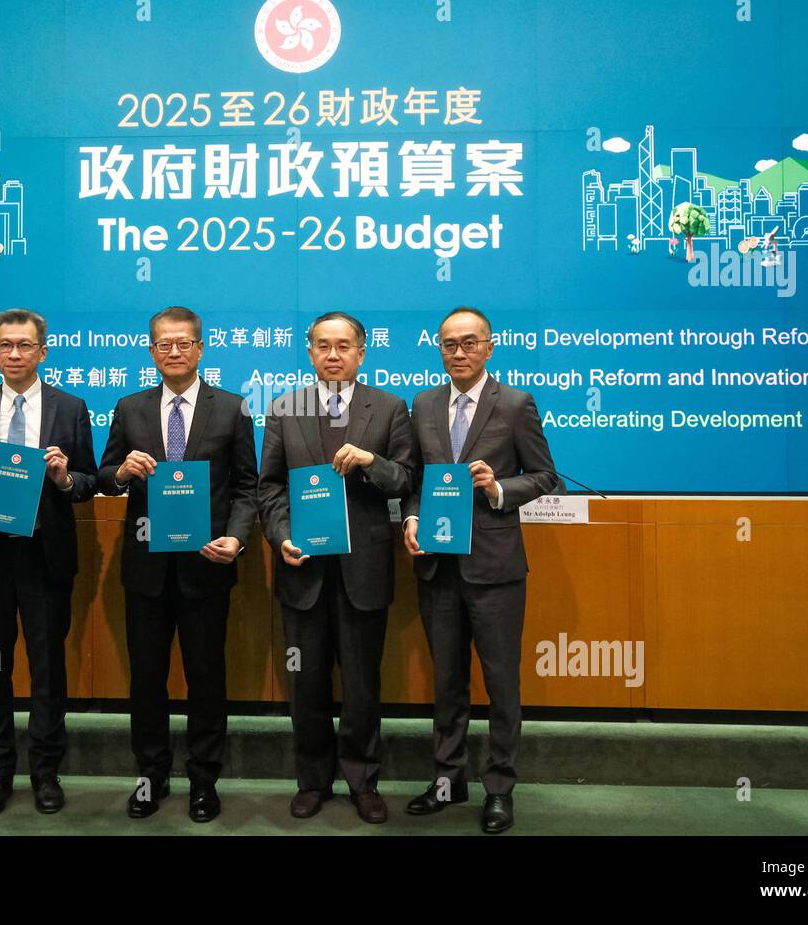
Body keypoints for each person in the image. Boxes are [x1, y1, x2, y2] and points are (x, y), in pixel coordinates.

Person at [97, 306, 258, 823]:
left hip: (207, 568)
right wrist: (120, 472)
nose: (173, 351)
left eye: (183, 343)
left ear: (201, 348)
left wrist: (235, 539)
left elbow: (246, 488)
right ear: (151, 351)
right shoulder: (130, 407)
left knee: (206, 678)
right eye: (163, 343)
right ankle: (150, 775)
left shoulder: (232, 409)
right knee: (147, 678)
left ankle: (204, 780)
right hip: (146, 570)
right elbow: (104, 476)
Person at [402, 306, 558, 833]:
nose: (460, 352)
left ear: (489, 347)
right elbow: (412, 481)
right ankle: (448, 781)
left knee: (500, 683)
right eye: (449, 344)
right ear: (439, 349)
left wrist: (497, 489)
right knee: (447, 682)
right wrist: (412, 517)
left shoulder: (514, 404)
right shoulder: (422, 404)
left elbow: (544, 476)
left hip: (494, 567)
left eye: (470, 343)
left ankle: (499, 789)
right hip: (438, 567)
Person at [0, 308, 98, 817]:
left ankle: (46, 771)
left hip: (44, 559)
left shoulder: (70, 408)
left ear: (42, 351)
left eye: (24, 345)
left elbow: (90, 483)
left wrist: (64, 478)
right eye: (5, 344)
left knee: (48, 669)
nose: (14, 353)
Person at [258, 311, 417, 823]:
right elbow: (270, 487)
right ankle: (312, 779)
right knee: (305, 682)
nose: (333, 354)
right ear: (309, 352)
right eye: (323, 346)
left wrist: (372, 463)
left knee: (362, 682)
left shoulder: (390, 408)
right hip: (302, 568)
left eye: (344, 346)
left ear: (361, 352)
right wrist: (280, 536)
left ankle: (363, 779)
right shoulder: (285, 408)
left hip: (363, 568)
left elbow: (407, 481)